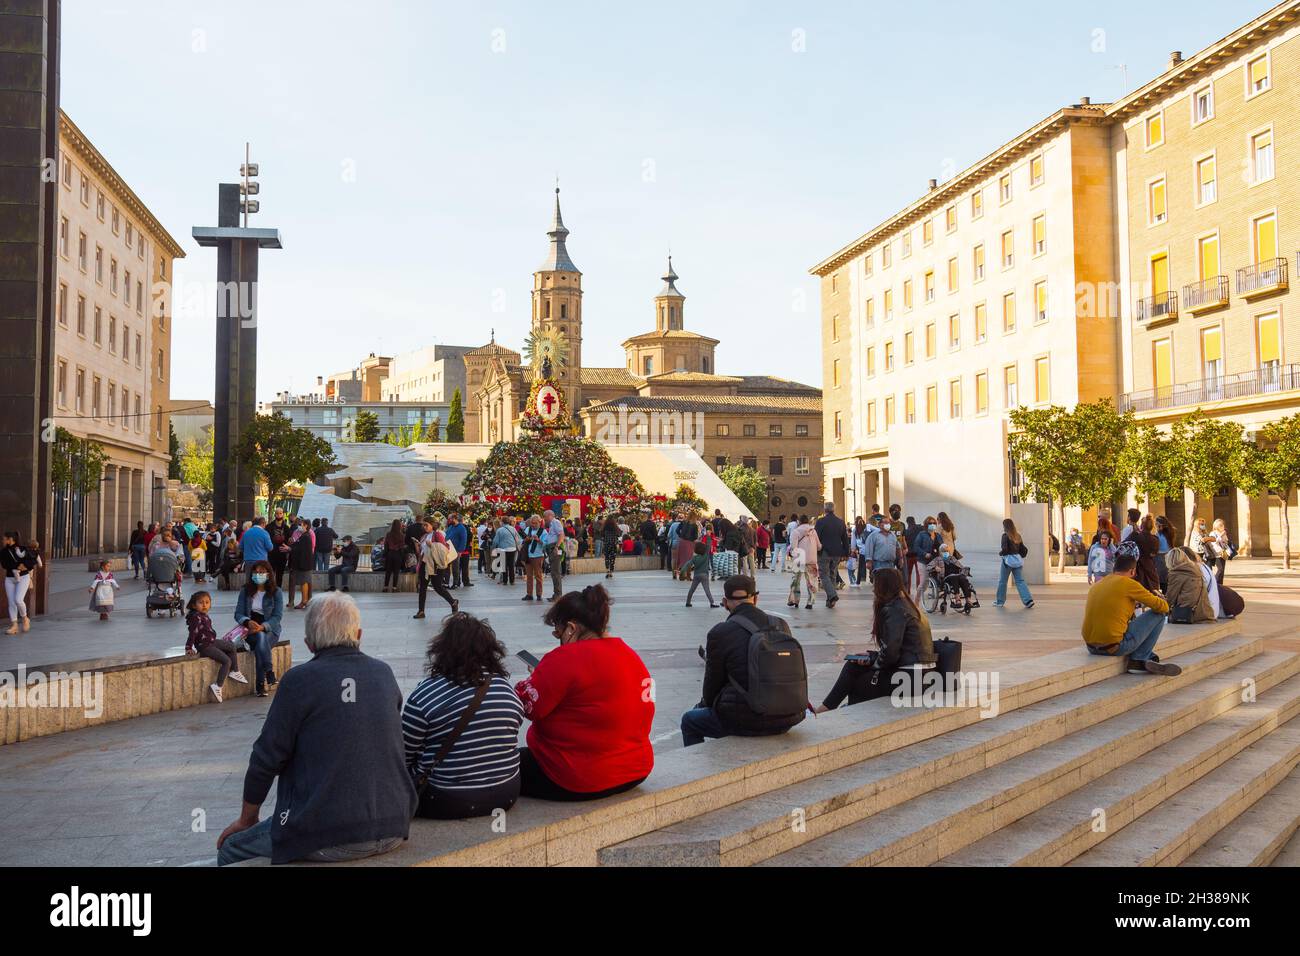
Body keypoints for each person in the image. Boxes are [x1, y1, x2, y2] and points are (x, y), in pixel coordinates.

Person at [218, 592, 416, 865]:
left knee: (230, 849)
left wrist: (247, 818)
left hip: (328, 833)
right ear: (358, 634)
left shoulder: (299, 681)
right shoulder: (383, 673)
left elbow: (266, 757)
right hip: (394, 823)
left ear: (309, 644)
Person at [514, 585, 654, 800]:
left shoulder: (564, 658)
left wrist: (534, 679)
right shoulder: (630, 655)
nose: (558, 639)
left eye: (557, 633)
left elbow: (528, 707)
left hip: (575, 776)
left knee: (500, 767)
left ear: (571, 628)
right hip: (636, 769)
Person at [402, 612, 524, 819]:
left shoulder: (426, 695)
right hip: (507, 793)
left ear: (442, 650)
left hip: (446, 798)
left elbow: (403, 754)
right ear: (490, 650)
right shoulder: (505, 690)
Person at [681, 575, 806, 745]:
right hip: (788, 716)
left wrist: (705, 705)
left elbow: (711, 687)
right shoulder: (780, 624)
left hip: (747, 720)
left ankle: (704, 769)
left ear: (725, 602)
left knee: (690, 720)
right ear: (756, 598)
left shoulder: (720, 632)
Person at [817, 567, 936, 711]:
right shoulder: (909, 605)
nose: (873, 591)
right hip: (922, 675)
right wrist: (872, 656)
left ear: (884, 587)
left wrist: (872, 662)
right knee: (855, 668)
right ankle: (841, 708)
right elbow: (899, 648)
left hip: (909, 679)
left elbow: (891, 654)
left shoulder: (895, 609)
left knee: (855, 675)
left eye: (876, 586)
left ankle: (832, 709)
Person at [1080, 552, 1180, 676]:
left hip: (1091, 647)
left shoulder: (1098, 585)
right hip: (1114, 647)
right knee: (1158, 615)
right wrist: (1158, 599)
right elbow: (1163, 607)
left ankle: (1148, 656)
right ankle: (1139, 659)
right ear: (1132, 571)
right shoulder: (1129, 584)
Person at [234, 560, 284, 697]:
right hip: (250, 630)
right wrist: (247, 622)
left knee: (261, 640)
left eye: (262, 572)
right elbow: (238, 614)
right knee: (260, 641)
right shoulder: (246, 591)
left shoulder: (276, 592)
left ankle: (261, 684)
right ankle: (269, 673)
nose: (258, 574)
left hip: (270, 629)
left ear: (268, 574)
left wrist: (263, 627)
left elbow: (277, 616)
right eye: (256, 572)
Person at [186, 590, 247, 702]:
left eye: (207, 602)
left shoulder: (204, 616)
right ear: (194, 605)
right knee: (227, 661)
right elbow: (192, 633)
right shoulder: (196, 618)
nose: (204, 605)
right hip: (205, 647)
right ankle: (218, 686)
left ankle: (235, 671)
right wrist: (189, 647)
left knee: (231, 646)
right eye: (201, 603)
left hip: (211, 641)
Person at [414, 519, 458, 618]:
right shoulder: (424, 536)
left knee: (438, 587)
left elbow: (444, 549)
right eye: (423, 525)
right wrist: (417, 545)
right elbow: (421, 552)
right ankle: (421, 611)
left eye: (426, 525)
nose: (424, 527)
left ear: (432, 525)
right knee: (422, 587)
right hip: (425, 564)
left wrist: (432, 545)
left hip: (436, 565)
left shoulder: (437, 535)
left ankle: (453, 602)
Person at [814, 502, 850, 608]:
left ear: (825, 510)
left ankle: (832, 595)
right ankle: (830, 601)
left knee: (824, 574)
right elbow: (845, 539)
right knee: (832, 575)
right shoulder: (840, 522)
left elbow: (816, 537)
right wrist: (846, 553)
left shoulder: (820, 522)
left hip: (824, 551)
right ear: (833, 509)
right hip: (837, 552)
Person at [1164, 547, 1215, 623]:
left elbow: (1170, 599)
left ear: (1170, 561)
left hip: (1186, 615)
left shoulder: (1176, 573)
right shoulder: (1196, 570)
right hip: (1205, 613)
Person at [994, 518, 1034, 609]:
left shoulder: (1005, 536)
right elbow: (1023, 550)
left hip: (1007, 562)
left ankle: (1000, 601)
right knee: (1020, 581)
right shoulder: (1017, 536)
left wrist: (1000, 554)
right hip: (1017, 561)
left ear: (1005, 526)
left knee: (1002, 581)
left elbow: (1005, 550)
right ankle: (1028, 600)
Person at [1, 531, 35, 635]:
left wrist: (24, 566)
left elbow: (31, 561)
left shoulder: (23, 549)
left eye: (4, 538)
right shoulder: (3, 552)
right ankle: (14, 625)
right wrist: (16, 566)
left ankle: (25, 618)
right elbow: (4, 565)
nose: (2, 540)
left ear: (10, 539)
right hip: (10, 579)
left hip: (23, 577)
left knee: (18, 600)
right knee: (11, 602)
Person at [787, 515, 820, 609]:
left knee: (795, 581)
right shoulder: (813, 531)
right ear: (808, 521)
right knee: (812, 581)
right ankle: (810, 602)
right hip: (812, 559)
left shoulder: (795, 531)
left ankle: (794, 600)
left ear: (799, 522)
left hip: (799, 559)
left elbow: (794, 547)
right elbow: (819, 546)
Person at [287, 517, 315, 609]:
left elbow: (300, 549)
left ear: (306, 526)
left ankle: (304, 601)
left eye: (301, 525)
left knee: (304, 582)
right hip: (304, 563)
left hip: (304, 564)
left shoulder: (306, 536)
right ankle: (304, 601)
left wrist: (290, 548)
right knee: (304, 582)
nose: (299, 526)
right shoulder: (304, 536)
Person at [1130, 515, 1162, 594]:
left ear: (1141, 525)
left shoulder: (1136, 536)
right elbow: (1154, 553)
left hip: (1137, 566)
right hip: (1150, 565)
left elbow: (1125, 545)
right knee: (1153, 590)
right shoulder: (1155, 539)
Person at [681, 541, 719, 608]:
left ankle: (688, 602)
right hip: (704, 575)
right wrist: (708, 535)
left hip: (696, 575)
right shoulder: (706, 555)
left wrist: (682, 570)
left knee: (692, 589)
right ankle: (712, 603)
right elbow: (708, 544)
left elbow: (688, 564)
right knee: (707, 590)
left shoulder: (694, 558)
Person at [863, 514, 898, 583]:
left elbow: (897, 546)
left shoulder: (893, 535)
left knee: (889, 584)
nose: (888, 525)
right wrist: (869, 561)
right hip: (878, 564)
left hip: (890, 564)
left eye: (889, 523)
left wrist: (901, 558)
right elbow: (869, 547)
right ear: (880, 524)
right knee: (880, 583)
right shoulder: (874, 535)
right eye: (885, 523)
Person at [541, 509, 566, 601]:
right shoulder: (552, 524)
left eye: (545, 516)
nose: (544, 518)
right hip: (552, 548)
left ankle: (558, 595)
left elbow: (561, 534)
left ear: (550, 515)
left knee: (556, 573)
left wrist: (556, 547)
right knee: (554, 572)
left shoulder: (555, 522)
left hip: (555, 548)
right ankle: (556, 593)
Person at [521, 515, 547, 601]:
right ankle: (529, 594)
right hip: (528, 555)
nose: (533, 525)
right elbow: (521, 540)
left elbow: (545, 545)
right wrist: (525, 540)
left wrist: (539, 540)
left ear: (540, 522)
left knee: (538, 576)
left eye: (535, 523)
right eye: (532, 523)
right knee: (529, 576)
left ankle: (539, 594)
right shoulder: (528, 529)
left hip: (538, 556)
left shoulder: (543, 532)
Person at [444, 514, 469, 589]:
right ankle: (446, 583)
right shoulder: (450, 527)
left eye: (450, 519)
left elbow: (463, 539)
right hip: (448, 549)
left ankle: (455, 583)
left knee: (455, 567)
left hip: (456, 550)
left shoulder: (461, 528)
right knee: (446, 567)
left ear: (454, 519)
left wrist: (460, 551)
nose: (448, 520)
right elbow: (446, 536)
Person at [381, 518, 406, 592]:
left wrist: (385, 555)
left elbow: (386, 545)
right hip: (398, 555)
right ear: (399, 526)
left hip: (389, 554)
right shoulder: (402, 535)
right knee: (396, 572)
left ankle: (385, 587)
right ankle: (394, 588)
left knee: (388, 571)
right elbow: (402, 546)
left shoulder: (388, 534)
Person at [492, 517, 518, 586]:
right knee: (511, 565)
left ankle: (505, 581)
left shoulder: (499, 530)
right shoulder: (513, 529)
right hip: (512, 548)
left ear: (502, 522)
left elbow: (495, 541)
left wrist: (493, 548)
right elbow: (517, 538)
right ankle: (512, 581)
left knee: (504, 566)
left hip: (503, 549)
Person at [849, 516, 871, 588]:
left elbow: (853, 541)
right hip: (870, 549)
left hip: (862, 551)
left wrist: (853, 550)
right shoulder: (867, 527)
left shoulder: (855, 529)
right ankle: (874, 580)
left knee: (861, 566)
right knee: (873, 566)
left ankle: (858, 582)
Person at [1210, 518, 1233, 586]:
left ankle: (1220, 584)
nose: (1223, 526)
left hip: (1224, 552)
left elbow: (1226, 542)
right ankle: (1214, 583)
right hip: (1217, 553)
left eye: (1223, 525)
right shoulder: (1213, 533)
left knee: (1223, 570)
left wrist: (1225, 538)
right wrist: (1221, 535)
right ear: (1216, 526)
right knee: (1220, 569)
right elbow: (1214, 542)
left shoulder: (1223, 533)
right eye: (1221, 525)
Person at [601, 514, 621, 578]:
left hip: (606, 543)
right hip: (613, 543)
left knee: (607, 557)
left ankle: (607, 571)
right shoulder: (615, 526)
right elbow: (619, 533)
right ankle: (611, 572)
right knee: (612, 558)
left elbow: (602, 534)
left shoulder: (605, 526)